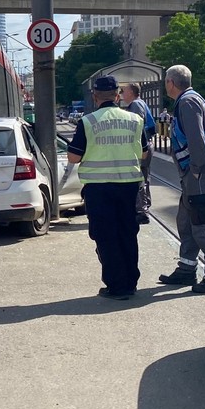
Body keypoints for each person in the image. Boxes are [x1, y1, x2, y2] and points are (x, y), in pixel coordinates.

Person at [68, 75, 147, 300]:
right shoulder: (134, 119)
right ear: (117, 95)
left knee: (106, 236)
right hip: (128, 186)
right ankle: (130, 282)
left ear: (95, 96)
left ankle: (116, 285)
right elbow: (144, 152)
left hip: (99, 188)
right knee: (128, 233)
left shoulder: (88, 122)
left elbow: (73, 157)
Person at [159, 64, 205, 294]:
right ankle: (187, 268)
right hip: (197, 173)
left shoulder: (187, 102)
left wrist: (195, 169)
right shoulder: (189, 100)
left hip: (200, 172)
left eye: (166, 80)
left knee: (203, 223)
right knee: (186, 221)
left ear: (171, 83)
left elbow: (196, 139)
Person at [120, 82, 156, 225]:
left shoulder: (135, 105)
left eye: (125, 91)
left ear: (131, 93)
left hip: (141, 146)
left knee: (138, 177)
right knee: (144, 176)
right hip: (146, 144)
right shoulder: (140, 103)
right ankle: (145, 207)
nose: (122, 93)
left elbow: (136, 126)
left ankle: (142, 211)